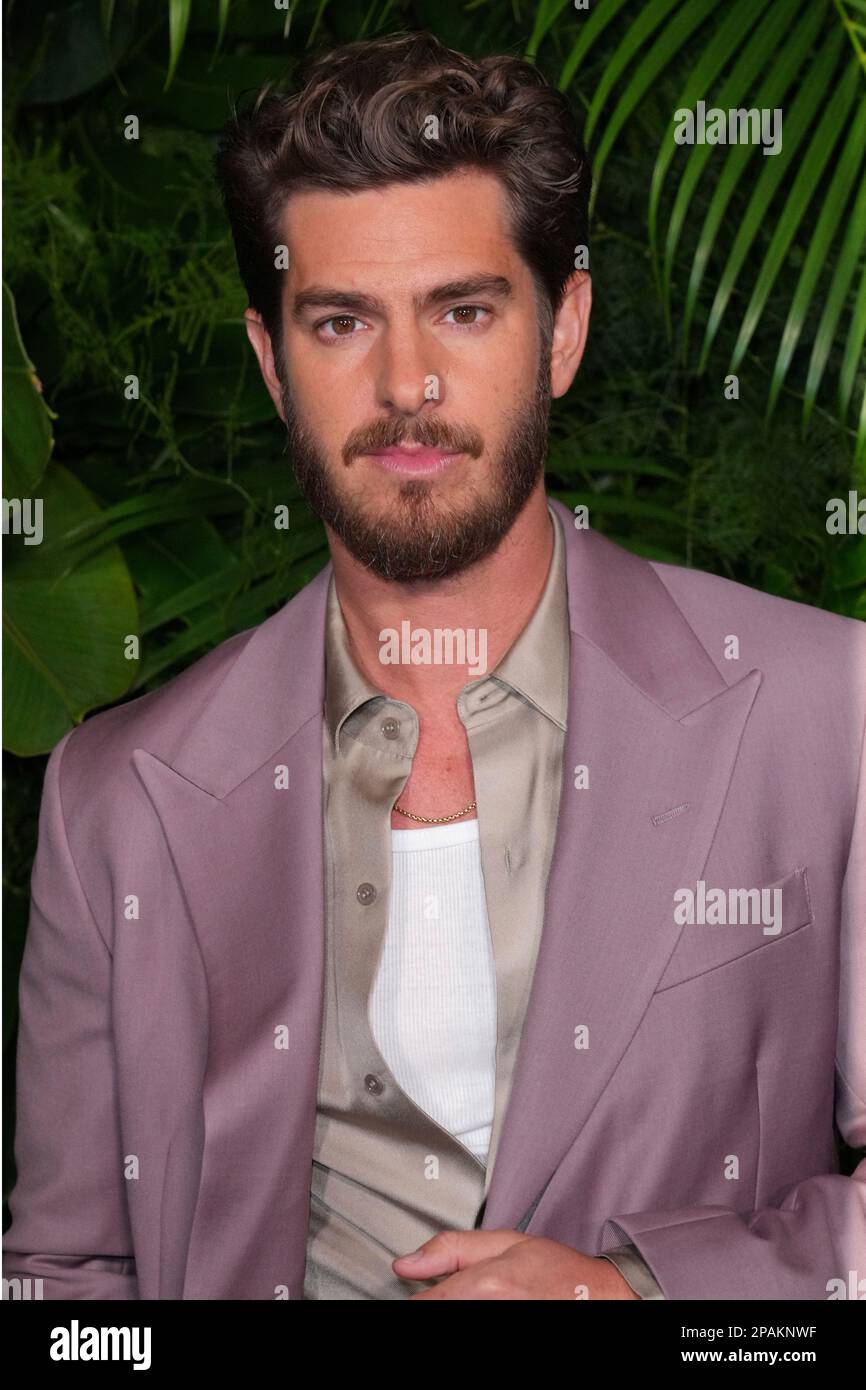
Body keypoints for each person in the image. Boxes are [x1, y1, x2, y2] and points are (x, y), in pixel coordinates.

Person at [4, 31, 864, 1301]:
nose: (405, 384)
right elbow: (59, 1287)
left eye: (462, 310)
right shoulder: (114, 799)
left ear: (561, 331)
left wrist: (636, 1296)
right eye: (341, 321)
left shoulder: (823, 714)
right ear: (269, 363)